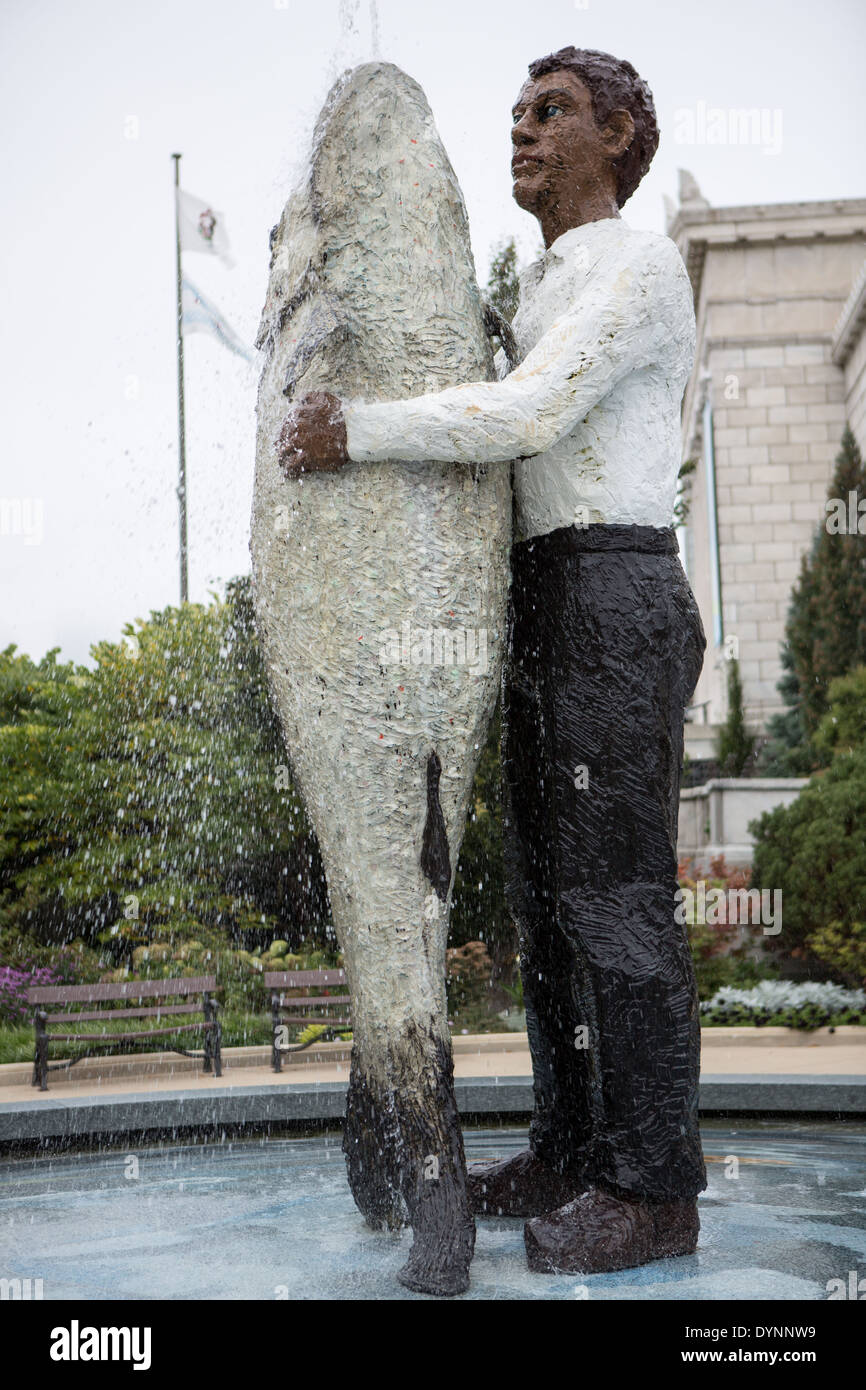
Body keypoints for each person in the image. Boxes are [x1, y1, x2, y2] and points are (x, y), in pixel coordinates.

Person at [277, 46, 707, 1275]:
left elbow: (525, 414)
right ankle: (569, 1148)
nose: (521, 130)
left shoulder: (639, 265)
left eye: (552, 112)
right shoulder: (527, 282)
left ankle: (652, 1187)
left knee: (617, 908)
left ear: (620, 134)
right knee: (547, 910)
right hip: (534, 600)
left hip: (612, 588)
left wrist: (350, 431)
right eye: (516, 112)